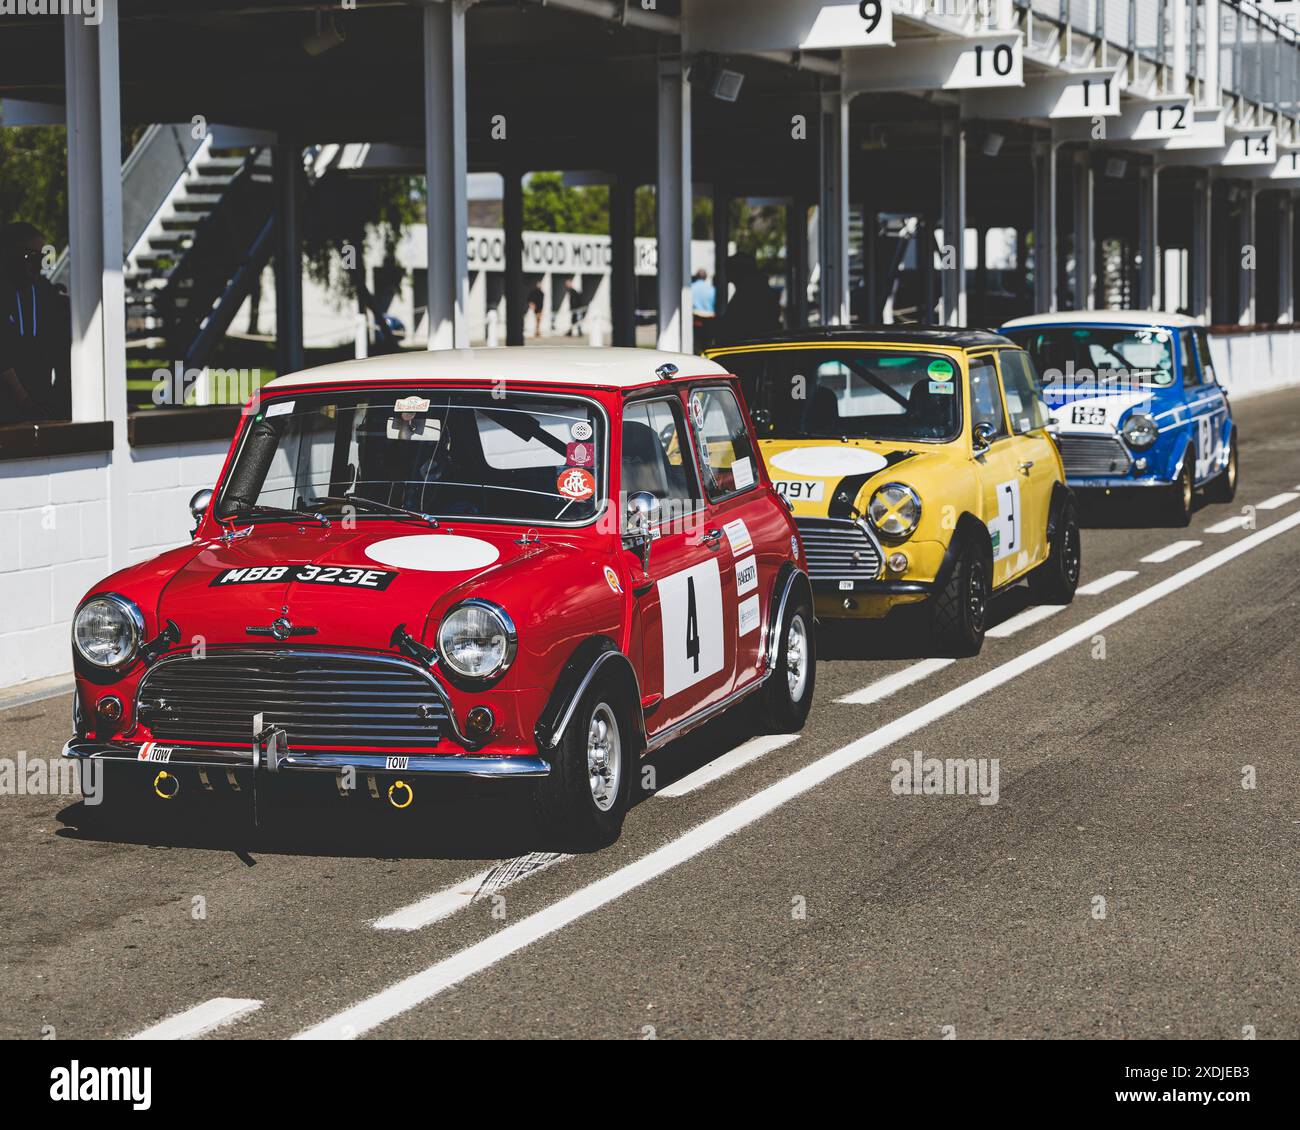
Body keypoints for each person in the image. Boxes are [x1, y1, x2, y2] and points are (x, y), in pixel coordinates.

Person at [0, 222, 71, 424]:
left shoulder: (45, 293)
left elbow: (63, 352)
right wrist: (26, 403)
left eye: (42, 258)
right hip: (9, 415)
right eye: (31, 257)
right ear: (8, 254)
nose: (39, 264)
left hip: (42, 409)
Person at [712, 252, 781, 347]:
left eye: (728, 270)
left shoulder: (750, 293)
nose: (725, 274)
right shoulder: (755, 289)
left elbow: (734, 325)